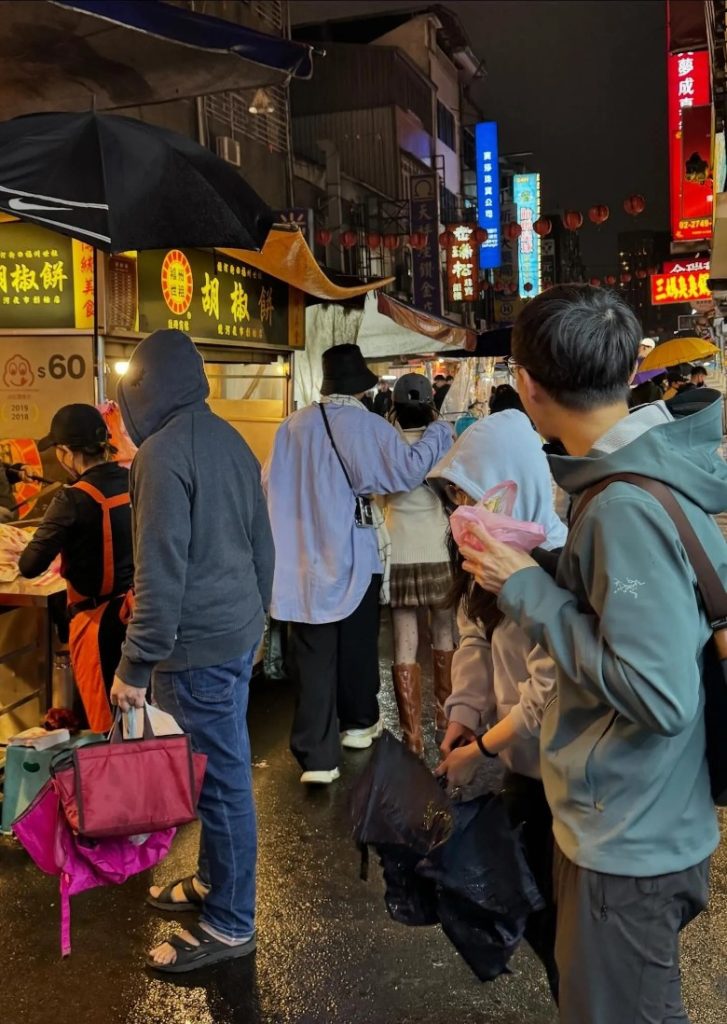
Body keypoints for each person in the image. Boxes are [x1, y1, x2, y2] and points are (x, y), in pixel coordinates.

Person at [460, 284, 726, 1023]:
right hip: (645, 813)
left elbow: (658, 695)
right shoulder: (634, 475)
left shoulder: (619, 506)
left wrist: (526, 591)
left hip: (628, 831)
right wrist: (535, 568)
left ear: (526, 385)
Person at [109, 329, 275, 973]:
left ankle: (232, 923)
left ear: (142, 390)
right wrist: (256, 622)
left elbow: (159, 570)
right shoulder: (231, 440)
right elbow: (263, 546)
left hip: (194, 646)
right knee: (216, 776)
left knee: (223, 783)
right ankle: (213, 883)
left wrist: (134, 665)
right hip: (231, 636)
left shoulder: (159, 453)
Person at [264, 344, 452, 785]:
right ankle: (358, 724)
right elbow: (406, 471)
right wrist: (439, 435)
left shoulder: (289, 427)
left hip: (299, 557)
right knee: (356, 642)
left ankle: (317, 758)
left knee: (313, 652)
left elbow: (268, 483)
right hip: (351, 551)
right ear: (362, 388)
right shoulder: (365, 426)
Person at [430, 408, 566, 1001]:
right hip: (522, 767)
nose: (465, 512)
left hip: (566, 776)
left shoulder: (555, 563)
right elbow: (475, 638)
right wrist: (463, 714)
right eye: (457, 497)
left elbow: (547, 687)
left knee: (567, 928)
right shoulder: (486, 556)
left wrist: (480, 748)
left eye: (475, 495)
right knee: (533, 910)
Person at [19, 405, 132, 732]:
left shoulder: (71, 499)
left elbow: (30, 564)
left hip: (98, 625)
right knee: (132, 720)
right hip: (137, 616)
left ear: (67, 452)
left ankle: (114, 782)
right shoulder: (131, 480)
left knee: (104, 726)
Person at [382, 373, 454, 755]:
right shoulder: (443, 445)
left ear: (394, 405)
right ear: (429, 405)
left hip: (400, 549)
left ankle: (412, 736)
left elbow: (378, 495)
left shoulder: (386, 445)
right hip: (437, 549)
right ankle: (445, 715)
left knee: (404, 640)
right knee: (443, 631)